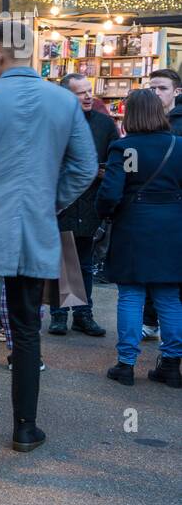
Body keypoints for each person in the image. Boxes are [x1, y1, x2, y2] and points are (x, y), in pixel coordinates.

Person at [0, 20, 97, 456]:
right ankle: (25, 427)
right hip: (35, 232)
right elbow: (85, 167)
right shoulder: (65, 103)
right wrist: (49, 202)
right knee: (26, 326)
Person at [97, 89, 182, 388]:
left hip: (133, 227)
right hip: (173, 229)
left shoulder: (125, 148)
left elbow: (109, 194)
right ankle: (172, 365)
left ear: (130, 114)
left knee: (131, 295)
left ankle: (126, 364)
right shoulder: (178, 145)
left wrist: (105, 213)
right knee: (169, 297)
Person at [49, 73, 117, 337]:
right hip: (63, 199)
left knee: (84, 260)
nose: (88, 96)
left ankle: (82, 313)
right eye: (80, 92)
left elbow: (116, 156)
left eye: (89, 91)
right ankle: (61, 313)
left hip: (90, 200)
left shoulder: (103, 123)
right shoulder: (54, 123)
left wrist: (106, 172)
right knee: (66, 258)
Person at [141, 67, 182, 341]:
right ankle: (151, 320)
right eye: (152, 88)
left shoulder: (177, 125)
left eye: (162, 88)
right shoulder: (146, 121)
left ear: (177, 92)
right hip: (150, 210)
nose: (155, 93)